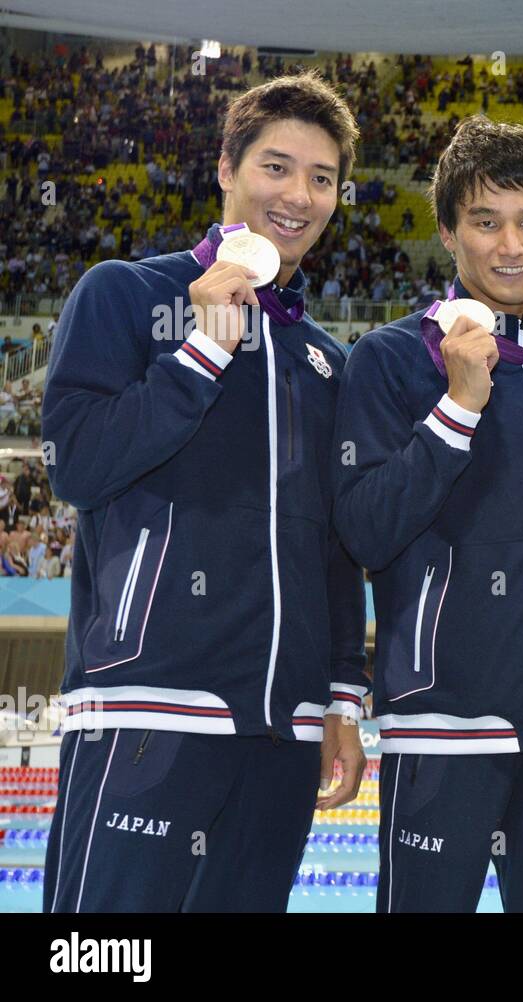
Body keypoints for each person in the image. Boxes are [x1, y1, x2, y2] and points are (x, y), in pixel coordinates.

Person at [40, 72, 369, 913]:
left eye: (322, 178)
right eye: (276, 166)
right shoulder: (126, 293)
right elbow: (76, 465)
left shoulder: (324, 360)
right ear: (225, 167)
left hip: (283, 729)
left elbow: (335, 544)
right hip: (150, 703)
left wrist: (339, 697)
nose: (298, 195)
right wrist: (200, 353)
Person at [332, 116, 523, 914]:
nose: (512, 245)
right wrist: (458, 408)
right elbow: (363, 529)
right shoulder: (391, 360)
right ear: (447, 234)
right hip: (443, 732)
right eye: (485, 221)